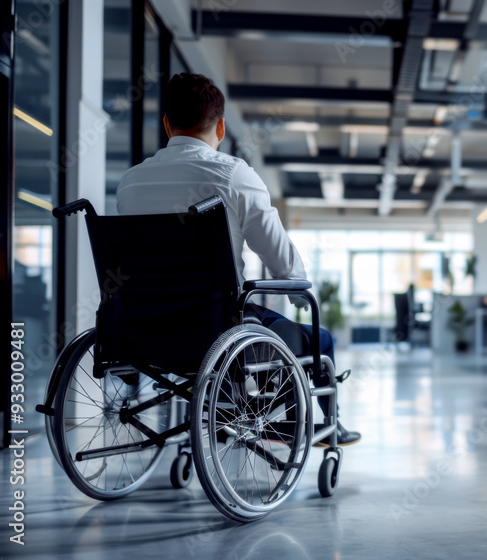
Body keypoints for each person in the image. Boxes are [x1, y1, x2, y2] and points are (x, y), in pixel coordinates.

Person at [115, 73, 360, 446]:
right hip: (216, 328)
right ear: (221, 126)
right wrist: (296, 287)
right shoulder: (233, 175)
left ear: (167, 124)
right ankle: (310, 426)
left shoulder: (130, 182)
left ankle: (232, 405)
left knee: (255, 328)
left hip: (142, 329)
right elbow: (279, 255)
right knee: (319, 341)